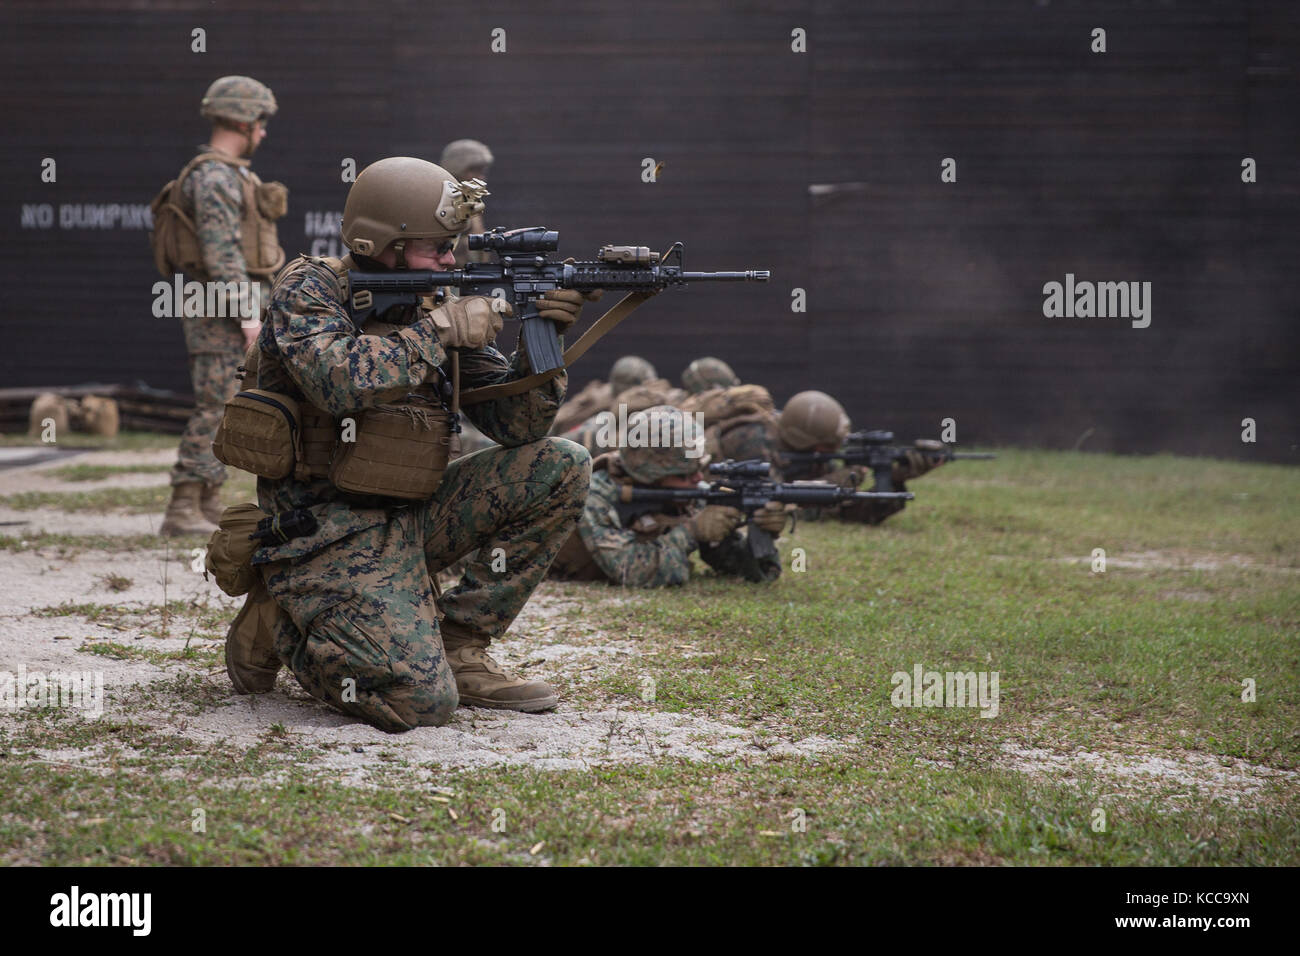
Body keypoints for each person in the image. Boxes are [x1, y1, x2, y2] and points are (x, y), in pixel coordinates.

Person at [233, 156, 595, 731]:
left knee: (562, 465)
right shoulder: (310, 288)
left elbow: (517, 426)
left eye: (452, 246)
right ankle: (282, 616)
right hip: (323, 530)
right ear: (384, 244)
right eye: (436, 248)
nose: (450, 260)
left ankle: (461, 645)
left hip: (409, 513)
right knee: (419, 703)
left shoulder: (431, 300)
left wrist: (541, 336)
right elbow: (338, 381)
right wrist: (438, 333)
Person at [161, 76, 287, 536]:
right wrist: (248, 316)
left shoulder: (229, 174)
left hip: (225, 310)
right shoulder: (215, 177)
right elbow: (222, 254)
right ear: (243, 119)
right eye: (261, 122)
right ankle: (181, 507)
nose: (264, 132)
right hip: (218, 313)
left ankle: (207, 498)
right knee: (215, 405)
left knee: (228, 405)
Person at [549, 406, 788, 587]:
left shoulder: (688, 494)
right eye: (684, 475)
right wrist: (691, 532)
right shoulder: (594, 495)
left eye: (698, 470)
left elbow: (737, 567)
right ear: (651, 475)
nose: (697, 480)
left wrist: (763, 534)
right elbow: (627, 571)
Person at [720, 390, 943, 525]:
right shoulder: (752, 440)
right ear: (803, 441)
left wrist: (894, 480)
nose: (833, 452)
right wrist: (834, 482)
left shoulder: (808, 454)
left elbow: (843, 511)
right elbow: (770, 505)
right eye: (827, 446)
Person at [439, 138, 493, 268]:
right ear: (456, 169)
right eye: (474, 170)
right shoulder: (441, 203)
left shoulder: (469, 200)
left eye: (482, 171)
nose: (481, 177)